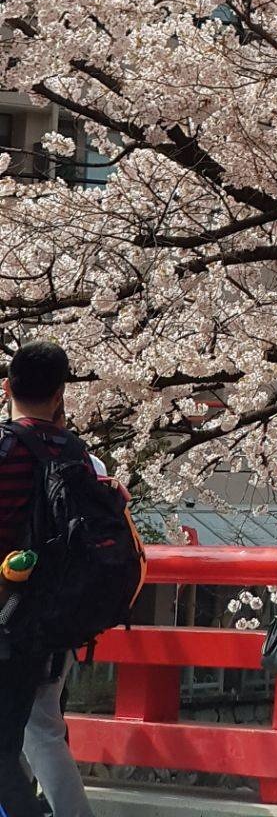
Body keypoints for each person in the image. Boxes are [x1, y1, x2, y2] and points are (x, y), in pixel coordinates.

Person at [1, 343, 99, 817]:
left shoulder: (3, 448)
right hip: (52, 620)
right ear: (60, 395)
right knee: (29, 731)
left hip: (3, 613)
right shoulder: (80, 458)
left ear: (6, 388)